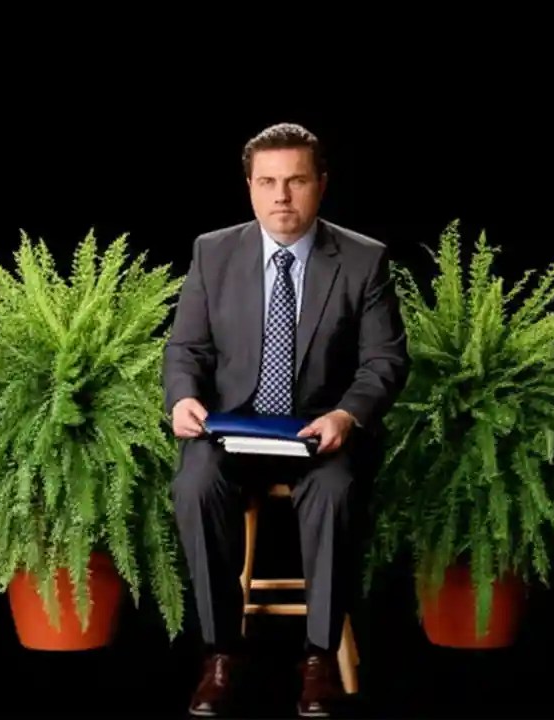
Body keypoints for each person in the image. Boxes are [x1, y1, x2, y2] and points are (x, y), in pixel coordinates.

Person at [163, 122, 409, 717]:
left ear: (320, 185)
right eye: (268, 182)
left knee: (333, 492)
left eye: (296, 180)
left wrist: (348, 416)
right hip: (231, 430)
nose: (282, 196)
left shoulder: (362, 259)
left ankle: (318, 657)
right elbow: (186, 349)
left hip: (321, 432)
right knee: (194, 485)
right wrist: (182, 400)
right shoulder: (213, 251)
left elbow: (385, 359)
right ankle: (221, 653)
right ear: (249, 186)